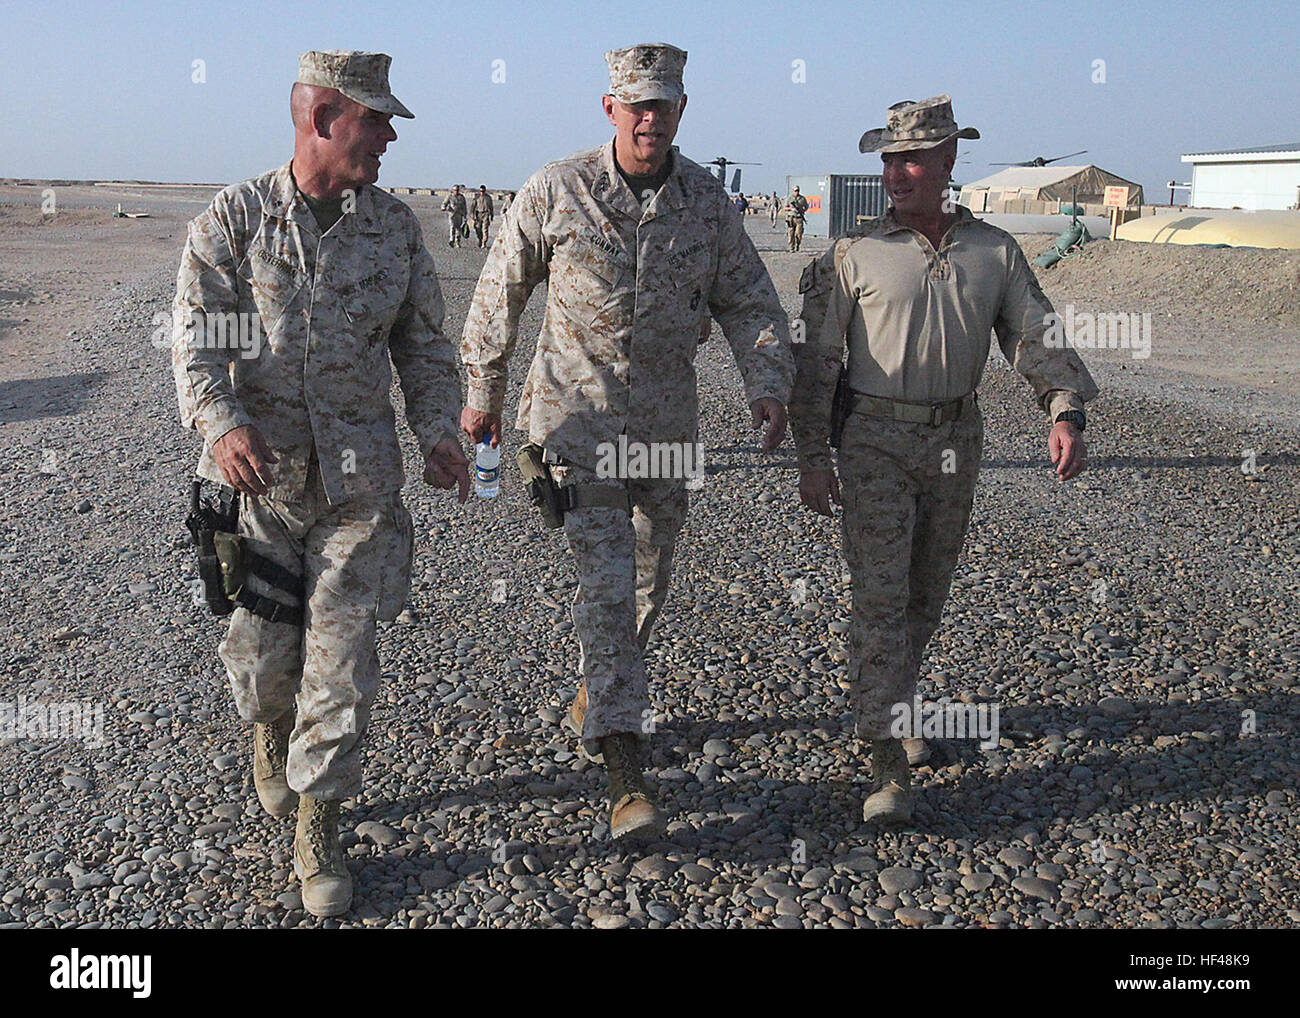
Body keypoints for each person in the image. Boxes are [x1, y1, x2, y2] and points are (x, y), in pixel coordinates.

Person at [460, 43, 793, 841]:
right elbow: (499, 289)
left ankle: (602, 685)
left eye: (665, 104)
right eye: (636, 104)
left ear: (683, 110)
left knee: (651, 578)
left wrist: (768, 384)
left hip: (667, 433)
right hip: (577, 426)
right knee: (607, 590)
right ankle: (623, 767)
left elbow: (751, 302)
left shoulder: (708, 205)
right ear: (608, 108)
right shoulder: (560, 189)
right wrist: (483, 395)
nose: (650, 118)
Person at [171, 49, 469, 916]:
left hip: (357, 487)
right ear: (322, 118)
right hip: (257, 484)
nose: (386, 138)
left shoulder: (395, 228)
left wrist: (438, 430)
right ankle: (267, 734)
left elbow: (423, 346)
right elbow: (197, 343)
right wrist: (222, 424)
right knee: (264, 661)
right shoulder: (234, 219)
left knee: (340, 665)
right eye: (375, 120)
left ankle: (319, 820)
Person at [788, 95, 1097, 826]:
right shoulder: (852, 254)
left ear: (949, 161)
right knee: (881, 597)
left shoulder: (992, 251)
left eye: (913, 158)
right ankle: (886, 760)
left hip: (957, 441)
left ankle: (894, 703)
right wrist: (811, 456)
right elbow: (818, 364)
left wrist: (1065, 409)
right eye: (889, 159)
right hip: (872, 443)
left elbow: (1034, 335)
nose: (897, 172)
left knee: (926, 596)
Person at [785, 186, 809, 251]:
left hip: (799, 218)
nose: (796, 192)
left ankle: (797, 245)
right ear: (793, 191)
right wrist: (791, 209)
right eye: (795, 191)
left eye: (797, 190)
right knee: (791, 233)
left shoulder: (802, 199)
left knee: (799, 233)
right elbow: (785, 208)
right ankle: (791, 247)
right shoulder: (789, 198)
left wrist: (802, 210)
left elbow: (806, 206)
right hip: (791, 218)